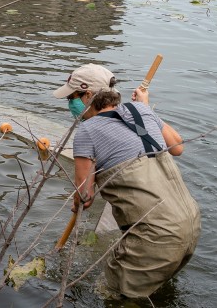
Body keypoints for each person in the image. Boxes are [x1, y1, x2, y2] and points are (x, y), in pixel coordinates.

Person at [59, 65, 201, 300]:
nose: (69, 104)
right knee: (156, 294)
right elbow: (178, 147)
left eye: (72, 97)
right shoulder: (140, 110)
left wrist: (77, 202)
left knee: (113, 296)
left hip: (155, 238)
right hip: (190, 225)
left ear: (87, 95)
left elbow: (85, 196)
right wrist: (146, 109)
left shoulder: (87, 131)